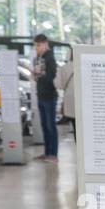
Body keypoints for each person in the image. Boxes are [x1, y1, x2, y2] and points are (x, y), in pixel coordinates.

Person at [32, 34, 58, 162]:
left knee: (50, 125)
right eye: (35, 46)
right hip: (41, 95)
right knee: (44, 125)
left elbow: (50, 78)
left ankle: (53, 154)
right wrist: (36, 75)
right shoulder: (39, 58)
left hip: (49, 96)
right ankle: (47, 152)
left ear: (45, 44)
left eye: (38, 45)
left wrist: (37, 76)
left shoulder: (50, 58)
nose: (36, 48)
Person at [53, 48, 75, 139]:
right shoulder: (86, 66)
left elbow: (58, 85)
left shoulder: (64, 68)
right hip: (85, 103)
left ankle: (77, 144)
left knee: (75, 125)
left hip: (70, 101)